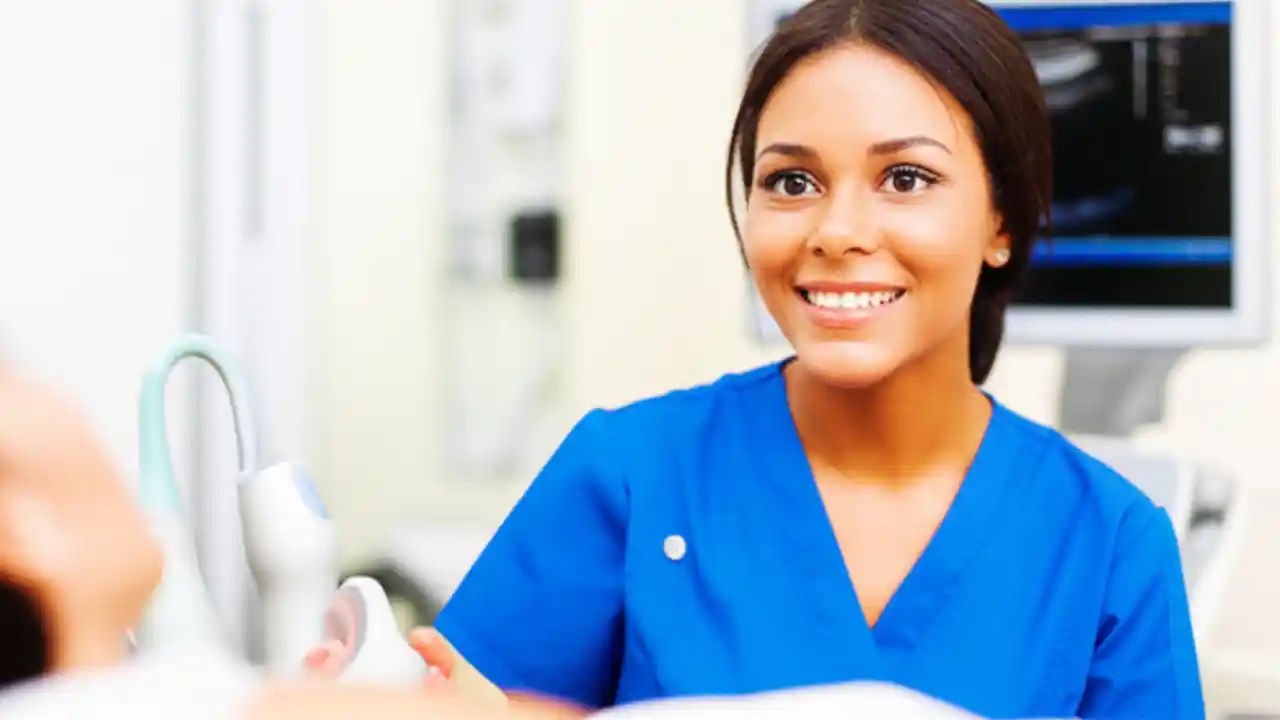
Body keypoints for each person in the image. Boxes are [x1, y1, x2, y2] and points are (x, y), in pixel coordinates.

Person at [413, 0, 1206, 717]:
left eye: (905, 177)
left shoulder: (1109, 543)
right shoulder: (630, 476)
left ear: (1004, 220)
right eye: (791, 181)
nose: (835, 230)